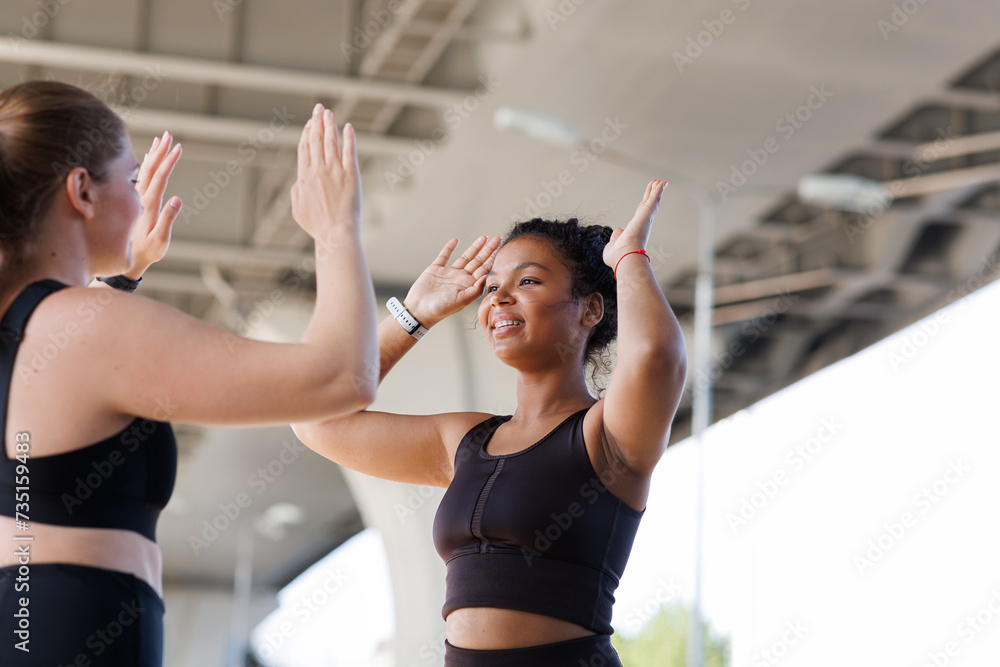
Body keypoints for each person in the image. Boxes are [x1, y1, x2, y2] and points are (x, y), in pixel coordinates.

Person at [0, 81, 378, 665]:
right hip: (72, 620)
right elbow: (339, 377)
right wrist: (335, 229)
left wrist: (121, 280)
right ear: (81, 191)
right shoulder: (87, 326)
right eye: (129, 182)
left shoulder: (38, 329)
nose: (139, 199)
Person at [293, 179, 687, 666]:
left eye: (527, 281)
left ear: (589, 308)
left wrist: (628, 258)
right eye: (491, 286)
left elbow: (655, 355)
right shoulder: (464, 442)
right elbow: (316, 419)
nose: (500, 298)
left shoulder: (607, 435)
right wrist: (414, 314)